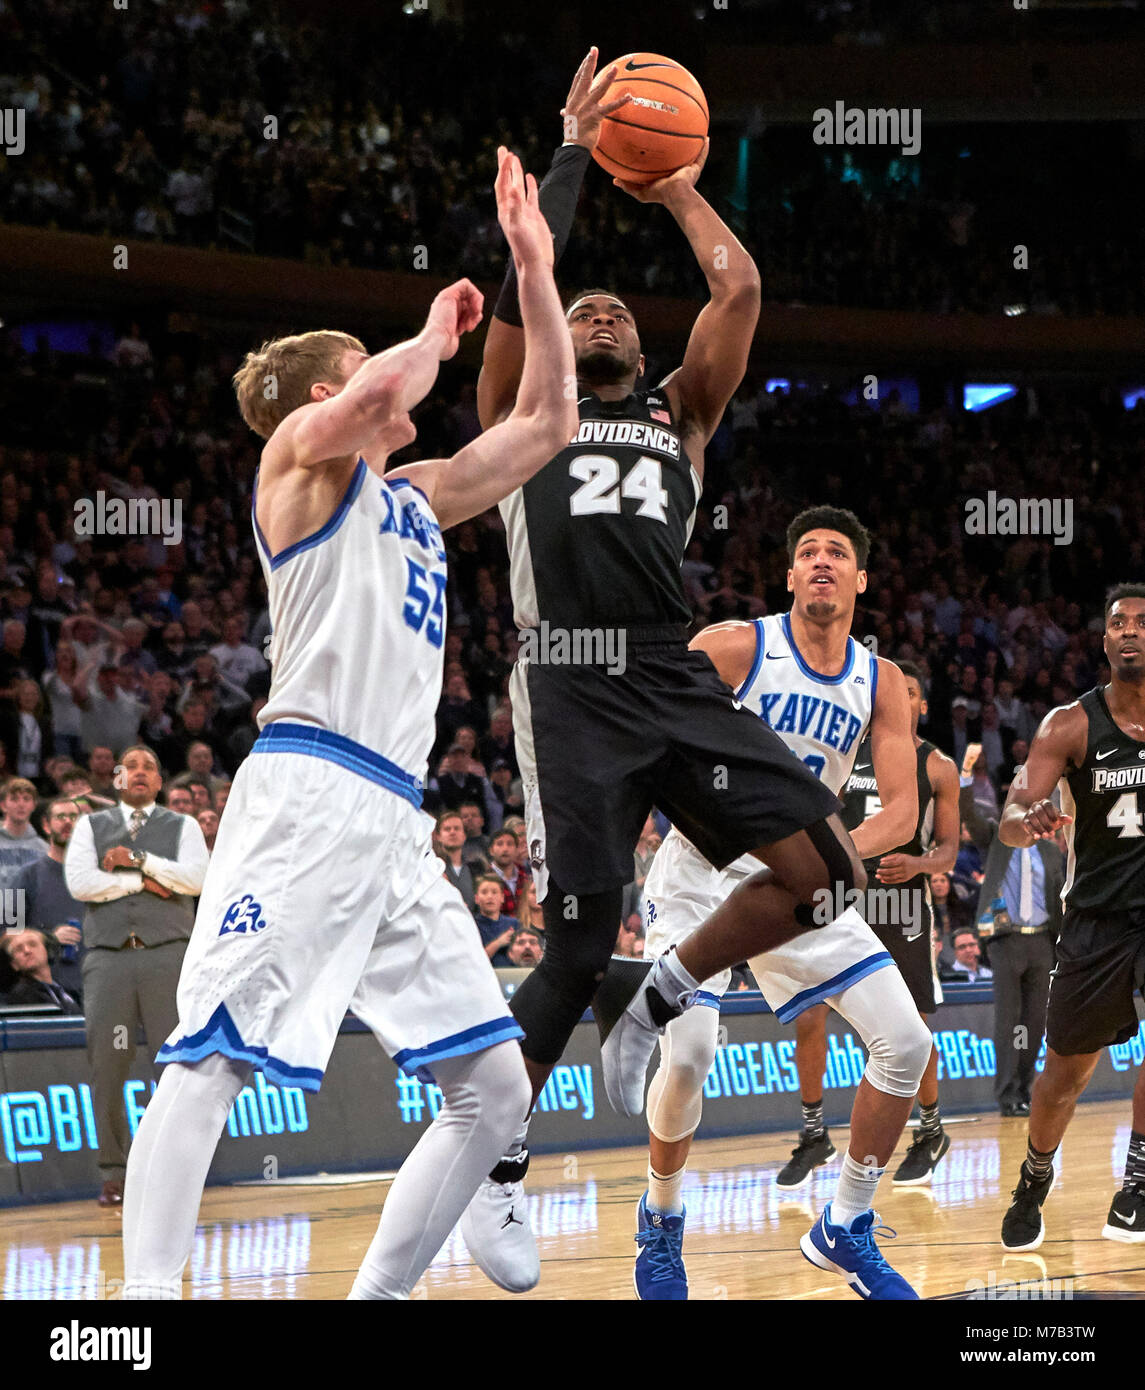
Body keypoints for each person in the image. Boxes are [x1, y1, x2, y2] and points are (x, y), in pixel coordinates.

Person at [120, 148, 577, 1301]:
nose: (392, 376)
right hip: (305, 788)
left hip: (392, 823)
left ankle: (376, 1294)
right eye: (361, 369)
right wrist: (427, 336)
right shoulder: (292, 469)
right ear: (327, 397)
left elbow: (547, 424)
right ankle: (139, 1303)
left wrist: (533, 264)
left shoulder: (413, 496)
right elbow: (379, 396)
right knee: (212, 1053)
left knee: (496, 1089)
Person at [458, 52, 849, 1296]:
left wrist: (678, 187)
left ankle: (667, 985)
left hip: (669, 673)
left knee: (823, 877)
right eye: (587, 314)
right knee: (571, 939)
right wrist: (574, 153)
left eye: (619, 312)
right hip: (567, 683)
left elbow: (736, 285)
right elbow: (527, 297)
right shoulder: (530, 412)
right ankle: (498, 1167)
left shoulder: (683, 412)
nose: (605, 314)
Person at [632, 511, 927, 1301]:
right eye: (806, 554)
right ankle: (660, 1220)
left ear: (861, 579)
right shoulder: (735, 647)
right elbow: (644, 740)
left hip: (801, 881)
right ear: (789, 578)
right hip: (701, 872)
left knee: (906, 1042)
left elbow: (899, 813)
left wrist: (816, 856)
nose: (821, 562)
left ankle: (844, 1226)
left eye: (837, 553)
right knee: (689, 1057)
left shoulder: (881, 680)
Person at [1000, 585, 1145, 1251]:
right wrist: (1025, 821)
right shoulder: (1069, 724)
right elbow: (1009, 816)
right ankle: (1033, 1176)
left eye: (1141, 623)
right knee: (1064, 1076)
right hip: (1095, 921)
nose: (1128, 632)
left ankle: (1136, 1183)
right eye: (1117, 622)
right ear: (1103, 639)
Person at [65, 745, 210, 1207]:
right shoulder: (90, 825)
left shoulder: (183, 825)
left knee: (174, 1065)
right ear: (118, 779)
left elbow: (196, 881)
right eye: (133, 767)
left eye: (151, 766)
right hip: (109, 959)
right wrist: (142, 884)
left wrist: (140, 859)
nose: (142, 773)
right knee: (109, 1064)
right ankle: (114, 1172)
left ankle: (175, 1169)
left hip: (167, 955)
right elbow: (81, 883)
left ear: (160, 781)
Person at [836, 665, 962, 1187]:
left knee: (914, 1024)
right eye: (892, 691)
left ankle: (930, 1129)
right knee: (845, 1022)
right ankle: (820, 1131)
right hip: (847, 901)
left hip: (905, 905)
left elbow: (950, 850)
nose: (899, 698)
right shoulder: (848, 755)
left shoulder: (937, 765)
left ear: (922, 704)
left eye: (910, 692)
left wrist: (918, 866)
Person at [959, 739, 1062, 1116]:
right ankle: (1006, 1096)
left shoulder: (1052, 852)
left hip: (1042, 944)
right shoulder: (997, 839)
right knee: (1008, 1023)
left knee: (1034, 1025)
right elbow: (967, 814)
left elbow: (1059, 898)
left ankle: (1025, 1090)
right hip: (1005, 940)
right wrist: (966, 775)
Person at [10, 796, 87, 1001]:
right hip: (46, 994)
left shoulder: (97, 878)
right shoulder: (24, 875)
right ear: (46, 825)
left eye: (73, 817)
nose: (68, 822)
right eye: (60, 816)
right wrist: (47, 938)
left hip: (94, 987)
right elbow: (6, 930)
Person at [0, 928, 82, 1014]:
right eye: (19, 949)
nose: (27, 950)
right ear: (14, 965)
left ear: (47, 951)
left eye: (32, 944)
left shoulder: (65, 991)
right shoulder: (20, 998)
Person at [0, 776, 48, 889]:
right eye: (14, 799)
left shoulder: (45, 849)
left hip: (30, 905)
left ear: (34, 805)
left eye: (26, 799)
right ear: (3, 806)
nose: (21, 804)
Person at [435, 809, 483, 910]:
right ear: (438, 836)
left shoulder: (477, 867)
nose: (452, 832)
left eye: (457, 828)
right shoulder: (433, 868)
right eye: (447, 829)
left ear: (464, 835)